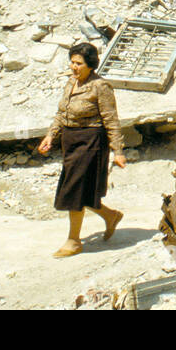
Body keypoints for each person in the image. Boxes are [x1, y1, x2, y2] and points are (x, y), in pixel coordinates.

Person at [37, 42, 126, 258]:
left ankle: (74, 241)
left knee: (74, 188)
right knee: (79, 188)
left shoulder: (100, 87)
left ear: (90, 65)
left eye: (79, 63)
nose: (74, 67)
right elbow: (61, 113)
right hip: (71, 140)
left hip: (90, 142)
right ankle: (110, 216)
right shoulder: (71, 83)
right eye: (72, 62)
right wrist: (51, 135)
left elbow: (111, 120)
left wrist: (118, 151)